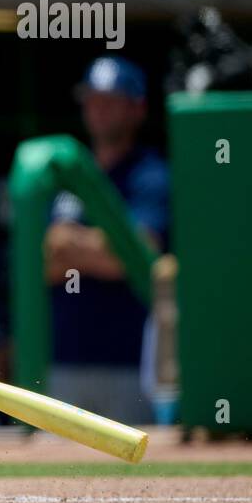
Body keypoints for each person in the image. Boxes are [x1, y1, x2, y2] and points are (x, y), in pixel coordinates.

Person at [44, 56, 170, 423]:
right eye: (92, 100)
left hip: (130, 363)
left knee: (139, 473)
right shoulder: (66, 169)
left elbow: (140, 255)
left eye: (110, 101)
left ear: (137, 108)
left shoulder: (151, 174)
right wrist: (103, 247)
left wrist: (70, 245)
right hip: (64, 360)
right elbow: (42, 259)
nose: (98, 110)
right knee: (56, 473)